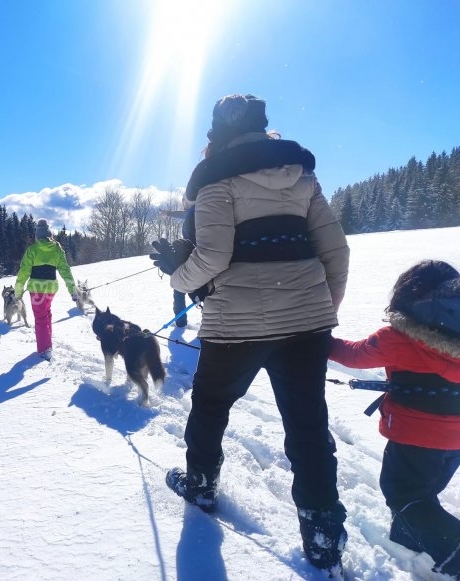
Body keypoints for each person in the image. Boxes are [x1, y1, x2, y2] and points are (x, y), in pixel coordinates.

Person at [153, 94, 350, 575]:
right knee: (308, 427)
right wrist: (321, 310)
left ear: (217, 135)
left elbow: (213, 257)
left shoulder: (215, 178)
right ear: (264, 128)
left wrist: (177, 276)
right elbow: (336, 251)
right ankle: (323, 536)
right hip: (306, 323)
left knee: (210, 405)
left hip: (236, 324)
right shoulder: (301, 176)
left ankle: (201, 485)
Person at [329, 259, 460, 578]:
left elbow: (353, 355)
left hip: (414, 437)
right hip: (455, 440)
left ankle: (453, 551)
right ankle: (407, 538)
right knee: (424, 491)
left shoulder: (397, 336)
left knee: (404, 495)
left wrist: (318, 341)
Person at [14, 219, 77, 361]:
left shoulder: (32, 250)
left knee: (40, 318)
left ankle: (45, 349)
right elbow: (65, 270)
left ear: (37, 235)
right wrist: (73, 290)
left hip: (37, 290)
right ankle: (47, 343)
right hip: (51, 289)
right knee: (46, 314)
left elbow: (23, 272)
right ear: (49, 234)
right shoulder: (57, 249)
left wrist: (18, 292)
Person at [159, 197, 197, 327]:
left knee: (179, 289)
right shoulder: (192, 212)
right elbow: (182, 214)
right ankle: (181, 321)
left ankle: (180, 322)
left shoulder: (196, 211)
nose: (183, 203)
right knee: (180, 288)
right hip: (187, 254)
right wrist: (169, 213)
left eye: (185, 200)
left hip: (194, 254)